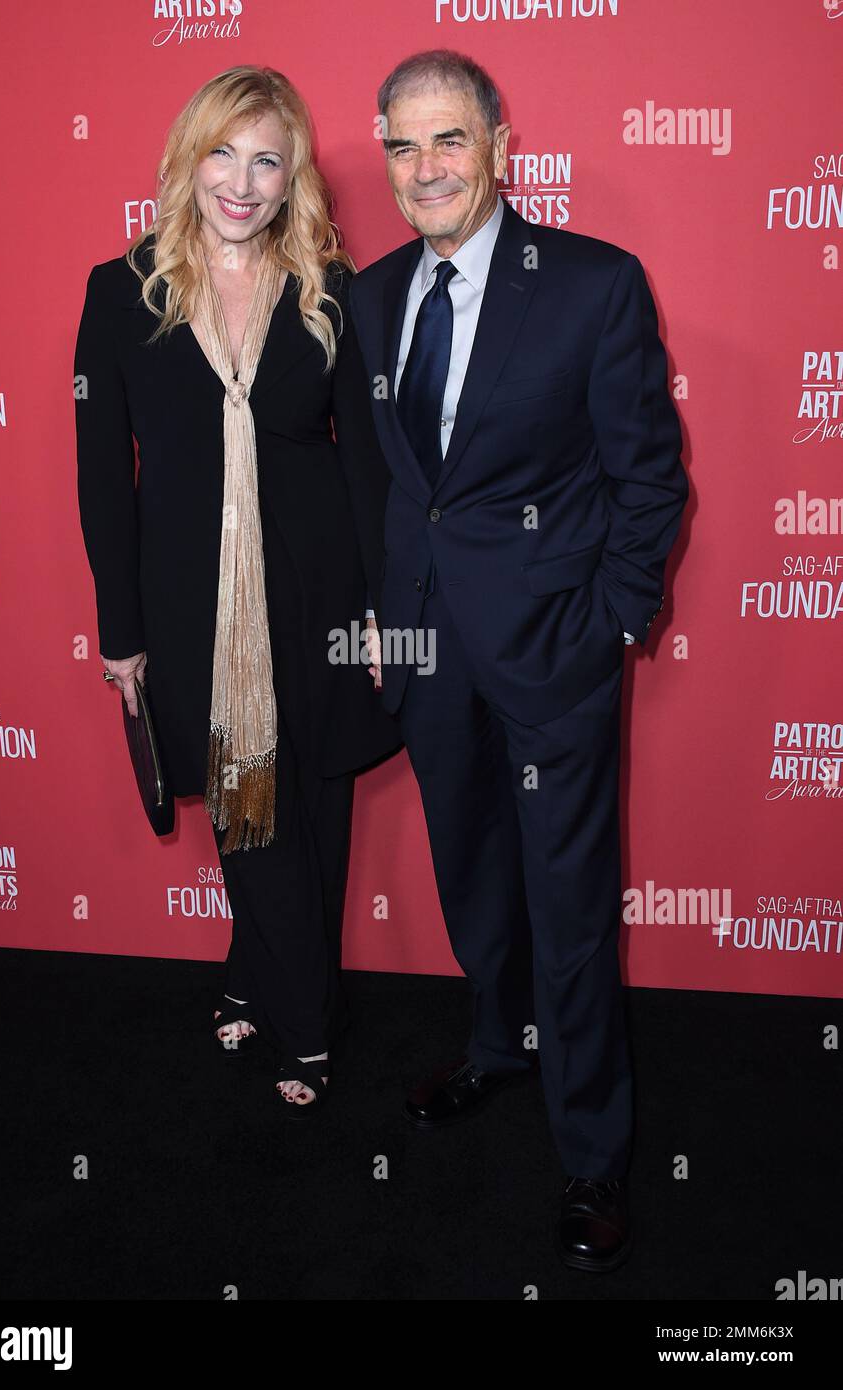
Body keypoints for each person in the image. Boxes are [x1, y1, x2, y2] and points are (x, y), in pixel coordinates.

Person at [352, 50, 688, 1268]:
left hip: (555, 651)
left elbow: (648, 480)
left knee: (573, 906)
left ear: (499, 145)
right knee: (473, 870)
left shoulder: (593, 286)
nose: (425, 168)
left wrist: (607, 623)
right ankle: (499, 1045)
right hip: (432, 646)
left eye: (448, 141)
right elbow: (400, 490)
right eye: (401, 146)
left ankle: (593, 1152)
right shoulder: (375, 292)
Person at [74, 66, 401, 1112]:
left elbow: (363, 468)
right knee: (244, 805)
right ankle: (309, 1025)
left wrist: (384, 613)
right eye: (225, 152)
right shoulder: (119, 292)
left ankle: (246, 973)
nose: (244, 182)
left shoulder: (327, 287)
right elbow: (102, 476)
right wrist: (119, 632)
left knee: (313, 797)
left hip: (320, 592)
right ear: (189, 157)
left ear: (292, 173)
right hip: (190, 605)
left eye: (268, 159)